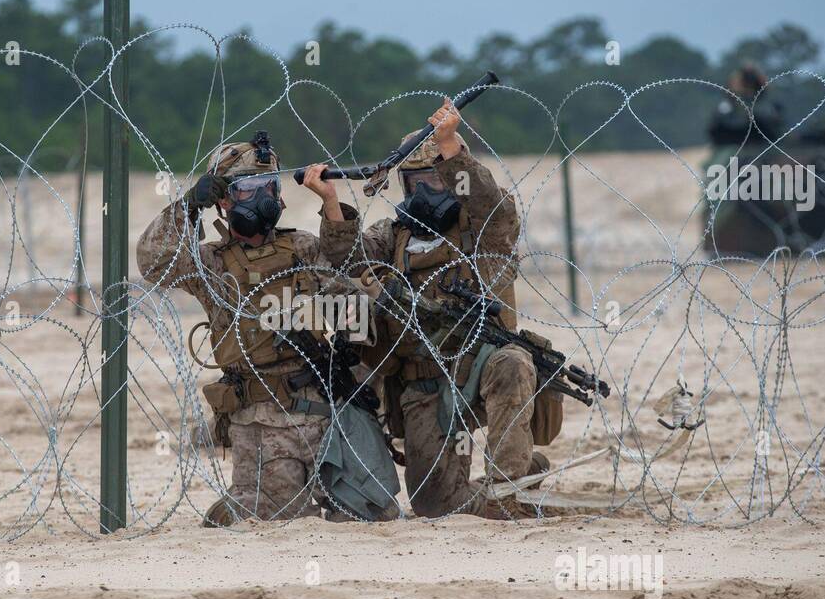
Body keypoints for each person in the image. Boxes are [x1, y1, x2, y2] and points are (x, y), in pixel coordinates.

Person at [306, 99, 563, 519]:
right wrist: (331, 203)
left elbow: (485, 199)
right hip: (425, 378)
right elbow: (346, 261)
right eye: (415, 183)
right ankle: (506, 486)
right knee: (434, 504)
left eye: (436, 180)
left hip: (480, 364)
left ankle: (507, 485)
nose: (425, 193)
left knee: (513, 362)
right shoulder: (394, 236)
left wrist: (450, 146)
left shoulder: (486, 228)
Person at [136, 131, 350, 525]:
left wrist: (331, 203)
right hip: (260, 419)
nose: (263, 199)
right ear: (223, 199)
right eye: (248, 189)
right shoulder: (210, 263)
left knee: (366, 511)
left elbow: (351, 272)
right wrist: (187, 207)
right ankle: (233, 507)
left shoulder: (303, 247)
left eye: (268, 187)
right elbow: (153, 263)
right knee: (278, 518)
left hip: (323, 409)